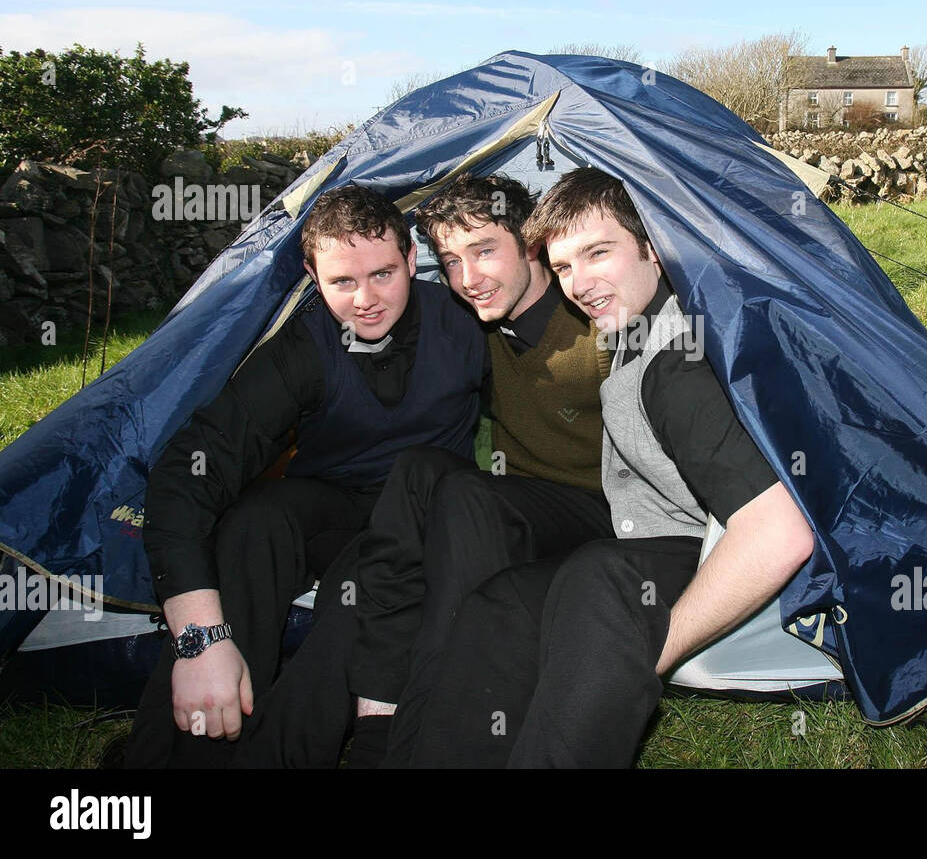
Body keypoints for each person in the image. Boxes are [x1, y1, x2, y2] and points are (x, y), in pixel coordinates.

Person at [384, 167, 815, 768]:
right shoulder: (630, 330)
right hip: (642, 538)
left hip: (698, 553)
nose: (579, 283)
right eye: (563, 266)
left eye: (598, 253)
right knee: (503, 602)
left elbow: (779, 534)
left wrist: (652, 648)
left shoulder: (677, 366)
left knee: (599, 577)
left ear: (653, 246)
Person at [231, 173, 613, 767]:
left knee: (454, 499)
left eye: (485, 251)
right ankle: (316, 738)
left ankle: (397, 738)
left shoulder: (600, 323)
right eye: (451, 260)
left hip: (596, 515)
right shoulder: (476, 324)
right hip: (513, 508)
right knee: (393, 537)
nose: (467, 279)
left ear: (532, 244)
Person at [124, 183, 486, 768]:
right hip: (334, 507)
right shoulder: (303, 347)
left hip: (420, 521)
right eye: (343, 281)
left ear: (413, 260)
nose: (366, 299)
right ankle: (168, 755)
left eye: (384, 275)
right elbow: (190, 470)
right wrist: (198, 640)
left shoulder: (466, 325)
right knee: (254, 521)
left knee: (366, 578)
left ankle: (275, 751)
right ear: (312, 277)